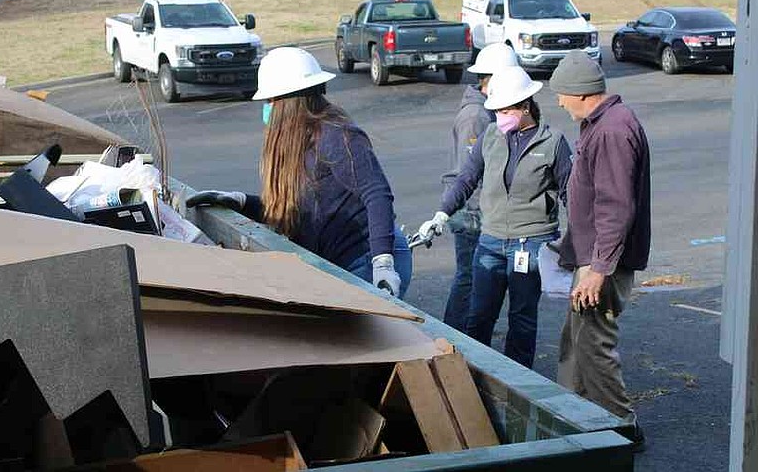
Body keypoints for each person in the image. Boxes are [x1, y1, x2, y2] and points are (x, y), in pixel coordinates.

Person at [186, 47, 412, 297]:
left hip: (369, 258)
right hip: (340, 259)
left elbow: (377, 194)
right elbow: (299, 210)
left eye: (269, 102)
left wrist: (383, 265)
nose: (266, 109)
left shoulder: (337, 135)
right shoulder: (296, 143)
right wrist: (241, 201)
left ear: (287, 103)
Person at [419, 66, 572, 368]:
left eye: (505, 110)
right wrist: (441, 213)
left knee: (522, 319)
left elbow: (571, 193)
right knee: (479, 315)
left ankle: (519, 385)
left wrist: (575, 243)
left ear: (525, 106)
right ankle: (476, 377)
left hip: (531, 243)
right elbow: (466, 178)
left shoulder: (553, 143)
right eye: (497, 110)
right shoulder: (491, 135)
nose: (500, 116)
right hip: (490, 241)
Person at [549, 49, 650, 449]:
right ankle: (573, 417)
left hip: (601, 264)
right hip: (594, 258)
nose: (558, 102)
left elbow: (615, 205)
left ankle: (623, 428)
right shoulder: (604, 123)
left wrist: (598, 268)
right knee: (575, 342)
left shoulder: (610, 131)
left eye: (561, 94)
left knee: (594, 345)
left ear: (581, 93)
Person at [440, 43, 517, 331]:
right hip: (471, 213)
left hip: (479, 211)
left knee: (477, 280)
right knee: (469, 279)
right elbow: (469, 174)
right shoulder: (475, 116)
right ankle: (455, 337)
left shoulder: (488, 110)